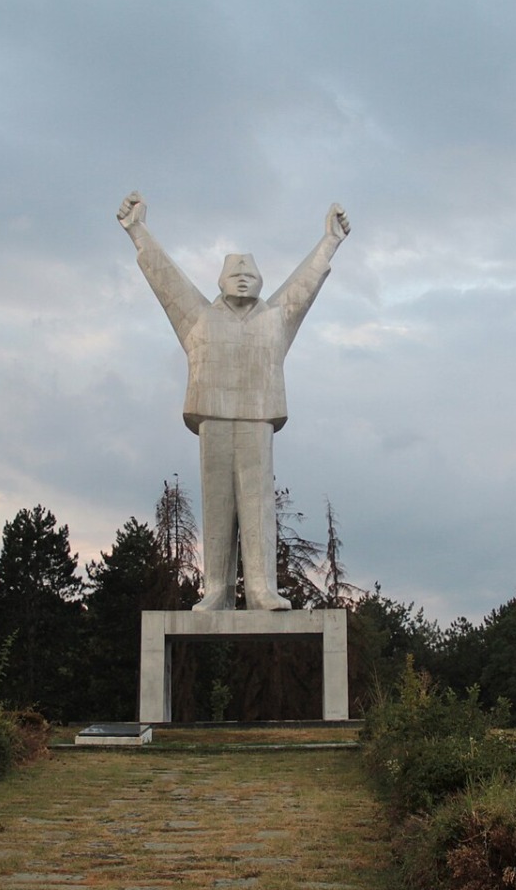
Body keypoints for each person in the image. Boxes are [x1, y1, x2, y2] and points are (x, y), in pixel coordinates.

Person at [117, 192, 349, 610]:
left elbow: (303, 285)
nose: (243, 278)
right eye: (234, 274)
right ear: (219, 282)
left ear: (262, 282)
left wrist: (329, 240)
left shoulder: (275, 317)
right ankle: (216, 590)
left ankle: (261, 589)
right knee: (217, 507)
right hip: (213, 417)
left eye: (251, 274)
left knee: (258, 506)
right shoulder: (199, 316)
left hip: (258, 417)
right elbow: (165, 279)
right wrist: (137, 231)